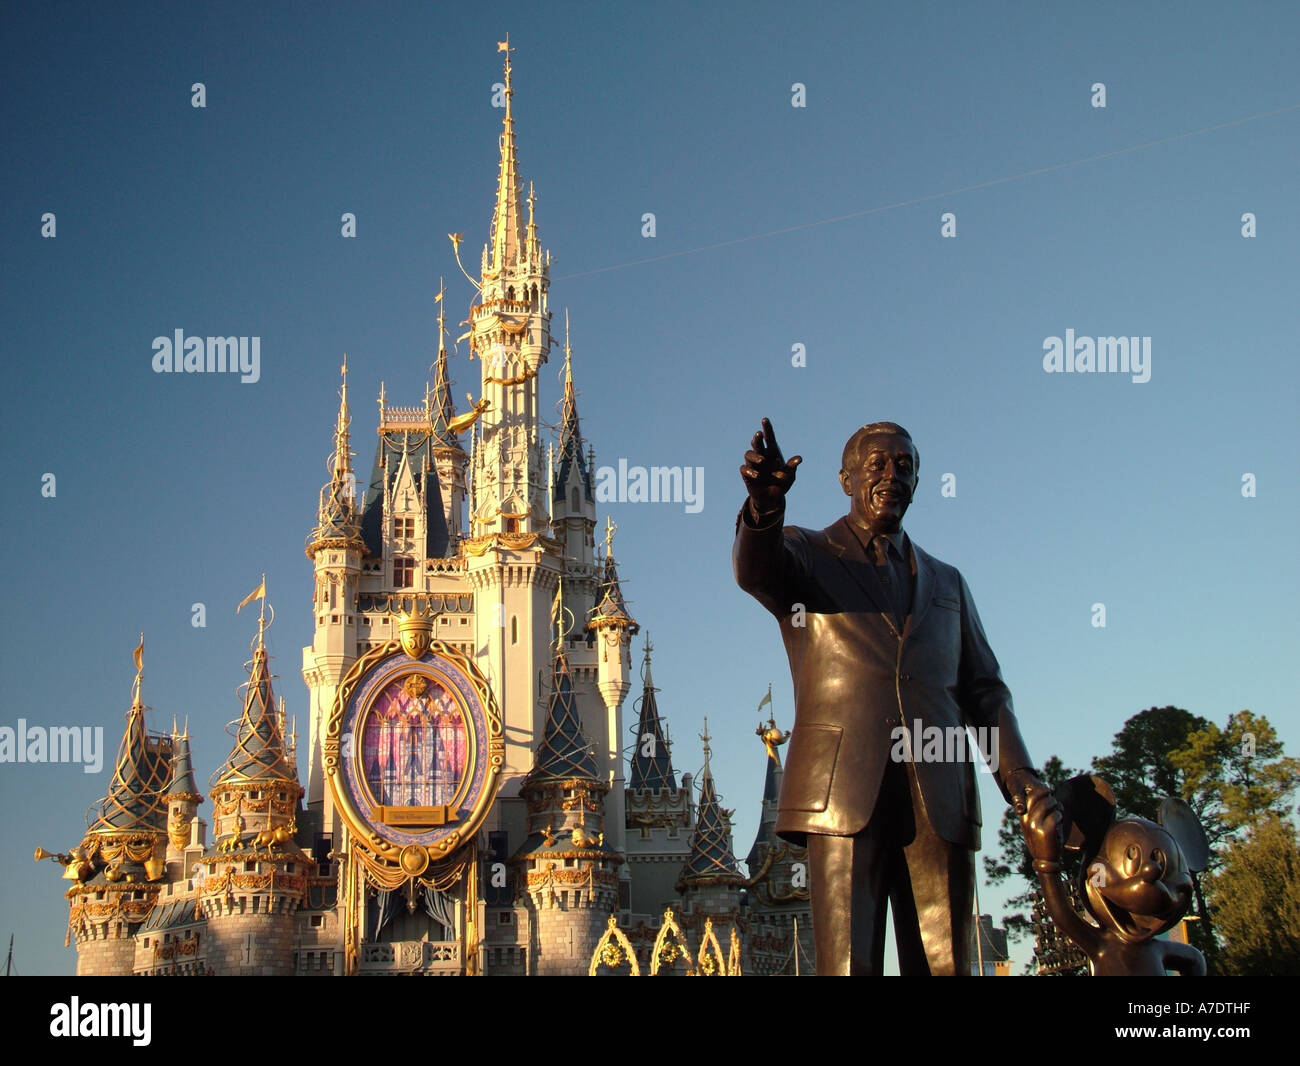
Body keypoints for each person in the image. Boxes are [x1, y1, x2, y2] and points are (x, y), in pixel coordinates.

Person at [733, 417, 1056, 975]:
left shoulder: (948, 581)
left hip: (941, 796)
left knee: (946, 965)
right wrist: (763, 509)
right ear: (846, 479)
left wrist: (1020, 778)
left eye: (904, 467)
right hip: (842, 796)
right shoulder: (808, 554)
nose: (892, 476)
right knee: (849, 966)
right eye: (877, 464)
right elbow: (755, 570)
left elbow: (985, 689)